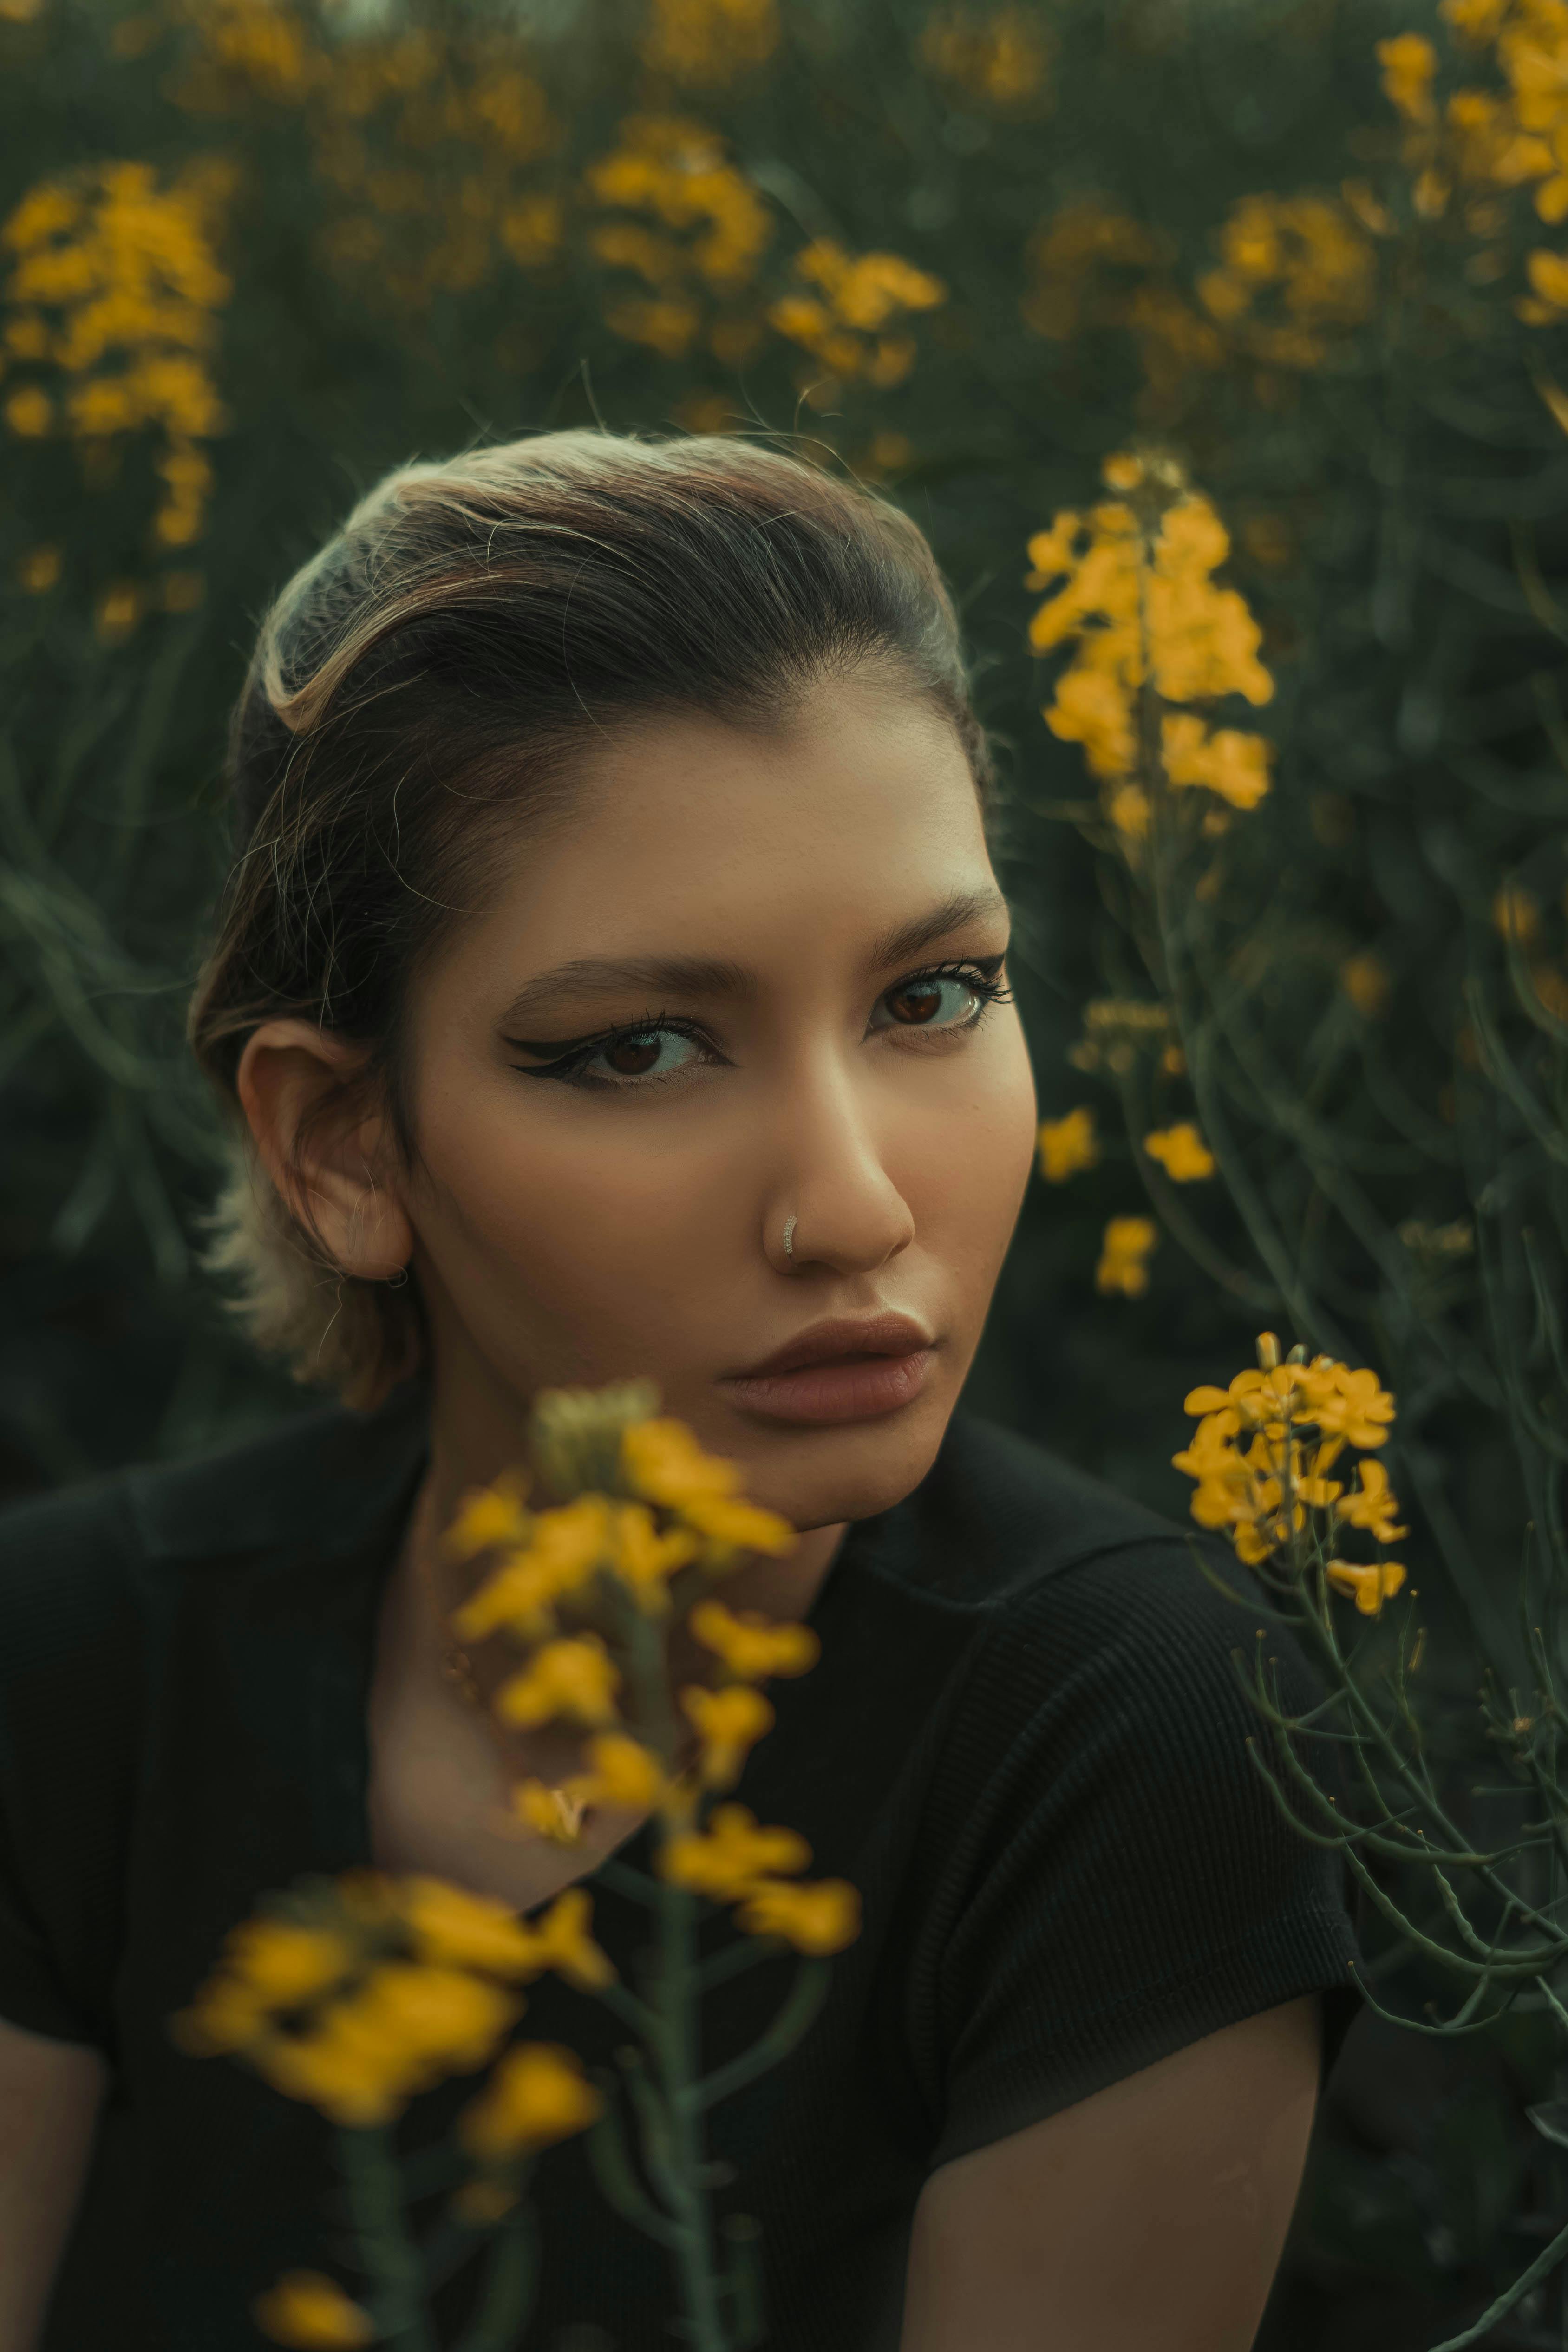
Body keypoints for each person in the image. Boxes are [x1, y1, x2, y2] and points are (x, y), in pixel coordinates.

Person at [0, 430, 1360, 2352]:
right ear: (340, 1146)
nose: (854, 1202)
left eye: (935, 997)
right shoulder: (61, 1677)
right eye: (640, 1048)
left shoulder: (1124, 1746)